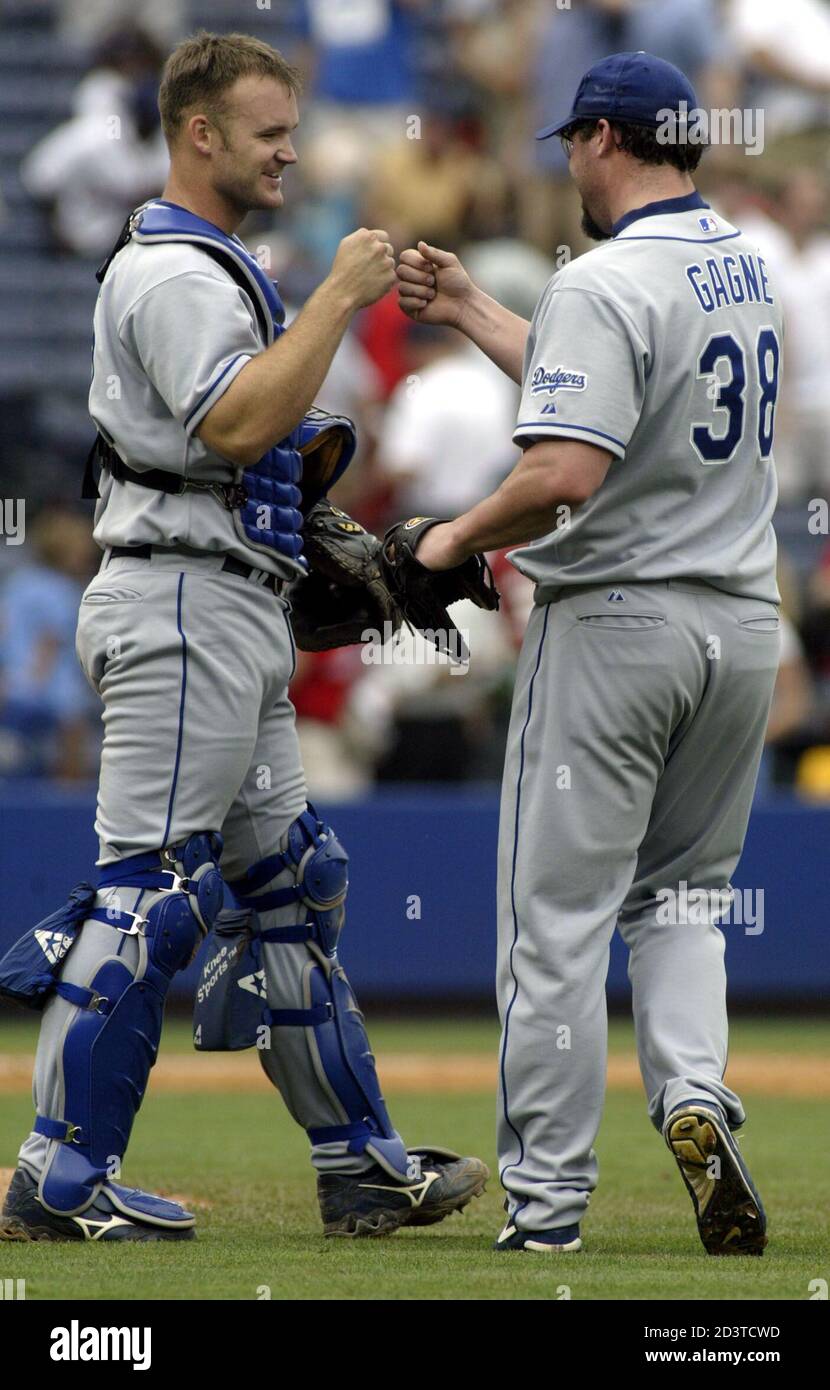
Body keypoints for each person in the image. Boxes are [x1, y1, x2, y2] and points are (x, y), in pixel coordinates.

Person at [0, 30, 486, 1244]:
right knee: (149, 893)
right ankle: (57, 1178)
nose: (290, 149)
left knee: (292, 886)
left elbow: (256, 460)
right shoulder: (169, 269)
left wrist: (342, 549)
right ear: (199, 132)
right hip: (177, 602)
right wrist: (334, 295)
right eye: (269, 130)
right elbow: (230, 424)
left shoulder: (215, 265)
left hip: (227, 602)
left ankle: (361, 1167)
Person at [395, 51, 781, 1256]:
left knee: (553, 927)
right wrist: (469, 311)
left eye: (573, 139)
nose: (565, 157)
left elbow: (566, 465)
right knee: (683, 900)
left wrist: (447, 539)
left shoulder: (602, 278)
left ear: (608, 138)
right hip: (739, 624)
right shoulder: (747, 265)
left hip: (615, 622)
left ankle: (549, 1209)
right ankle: (693, 1097)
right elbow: (612, 395)